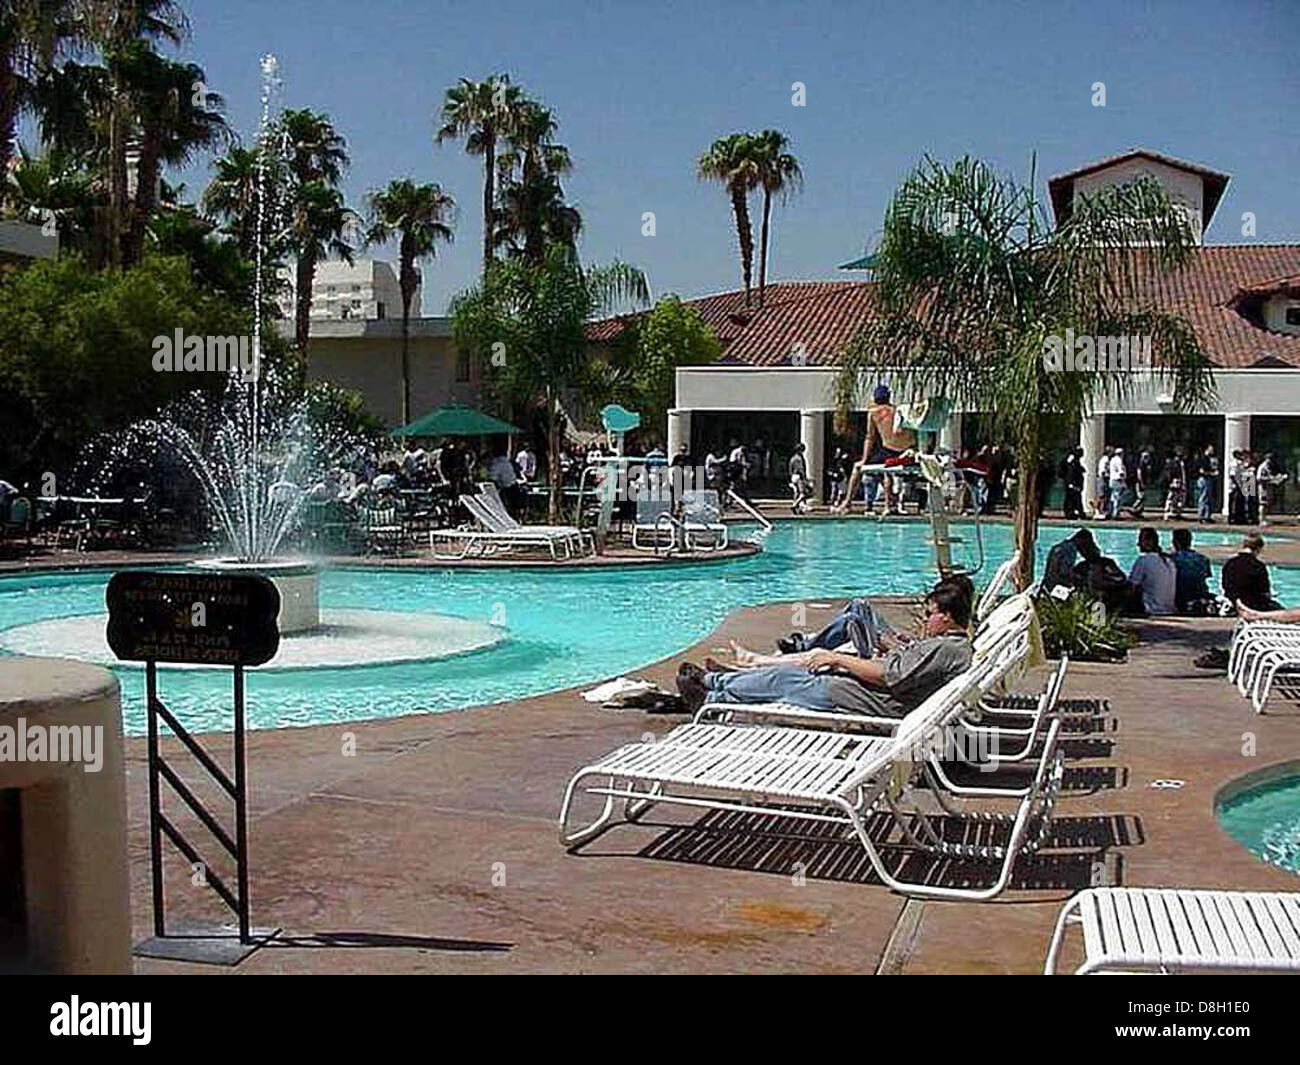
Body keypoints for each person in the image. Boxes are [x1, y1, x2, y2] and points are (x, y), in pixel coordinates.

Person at [675, 579, 972, 718]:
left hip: (873, 700)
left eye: (930, 613)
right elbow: (902, 670)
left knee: (789, 680)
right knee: (802, 671)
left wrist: (837, 657)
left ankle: (712, 693)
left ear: (946, 617)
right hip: (877, 693)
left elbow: (887, 677)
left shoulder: (947, 649)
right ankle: (723, 684)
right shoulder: (949, 646)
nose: (925, 618)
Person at [833, 384, 916, 515]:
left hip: (889, 450)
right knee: (886, 474)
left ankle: (847, 503)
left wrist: (864, 460)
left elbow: (870, 438)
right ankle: (890, 504)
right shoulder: (897, 411)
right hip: (906, 451)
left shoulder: (873, 413)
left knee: (857, 468)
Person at [1073, 534, 1132, 614]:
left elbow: (1120, 578)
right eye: (1083, 549)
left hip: (1108, 596)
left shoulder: (1106, 563)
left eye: (1089, 548)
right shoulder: (1081, 567)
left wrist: (1104, 580)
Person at [1222, 533, 1281, 613]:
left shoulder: (1229, 563)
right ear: (1258, 549)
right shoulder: (1258, 566)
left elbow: (1225, 586)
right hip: (1253, 604)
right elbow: (1264, 591)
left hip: (1233, 602)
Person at [1127, 527, 1177, 616]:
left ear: (1148, 542)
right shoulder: (1169, 562)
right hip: (1169, 609)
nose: (1138, 544)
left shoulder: (1143, 560)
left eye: (1140, 540)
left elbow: (1131, 589)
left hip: (1151, 609)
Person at [1170, 527, 1213, 615]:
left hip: (1180, 597)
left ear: (1175, 542)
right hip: (1201, 595)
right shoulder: (1203, 559)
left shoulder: (1171, 560)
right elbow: (1206, 576)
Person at [1043, 529, 1094, 593]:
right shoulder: (1070, 550)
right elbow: (1064, 573)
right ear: (1080, 540)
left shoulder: (1060, 546)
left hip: (1048, 586)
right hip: (1056, 588)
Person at [1257, 452, 1285, 526]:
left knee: (1268, 504)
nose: (1271, 461)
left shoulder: (1269, 467)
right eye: (1269, 459)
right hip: (1264, 488)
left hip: (1269, 487)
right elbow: (1259, 478)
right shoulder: (1262, 467)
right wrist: (1270, 479)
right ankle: (1261, 519)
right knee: (1263, 503)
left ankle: (1265, 518)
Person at [1195, 444, 1219, 523]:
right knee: (1203, 497)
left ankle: (1207, 515)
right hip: (1204, 479)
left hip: (1209, 479)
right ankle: (1201, 515)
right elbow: (1201, 470)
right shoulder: (1203, 459)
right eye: (1211, 449)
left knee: (1209, 497)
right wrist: (1211, 473)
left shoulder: (1212, 458)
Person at [1162, 447, 1187, 521]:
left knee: (1179, 498)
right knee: (1171, 497)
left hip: (1180, 482)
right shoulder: (1172, 463)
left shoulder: (1181, 463)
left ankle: (1176, 513)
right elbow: (1169, 473)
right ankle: (1168, 513)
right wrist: (1171, 481)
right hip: (1174, 481)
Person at [788, 443, 811, 514]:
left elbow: (790, 469)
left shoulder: (792, 458)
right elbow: (801, 469)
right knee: (803, 493)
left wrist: (791, 476)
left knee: (796, 492)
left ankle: (800, 508)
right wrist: (805, 478)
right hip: (799, 476)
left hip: (793, 476)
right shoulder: (799, 459)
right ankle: (795, 505)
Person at [1061, 447, 1085, 519]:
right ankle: (1071, 513)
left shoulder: (1075, 461)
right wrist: (1071, 483)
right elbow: (1070, 471)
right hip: (1072, 483)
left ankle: (1077, 512)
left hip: (1074, 483)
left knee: (1075, 498)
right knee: (1072, 499)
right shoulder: (1071, 460)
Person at [1094, 446, 1112, 517]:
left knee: (1104, 496)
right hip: (1102, 479)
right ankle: (1097, 510)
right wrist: (1105, 477)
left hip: (1104, 478)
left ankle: (1101, 511)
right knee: (1101, 496)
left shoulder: (1107, 459)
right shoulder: (1105, 460)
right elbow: (1102, 471)